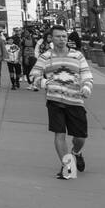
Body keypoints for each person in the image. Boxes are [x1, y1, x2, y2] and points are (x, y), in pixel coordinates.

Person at [31, 25, 93, 179]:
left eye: (64, 36)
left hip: (75, 100)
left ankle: (76, 152)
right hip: (55, 100)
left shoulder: (77, 55)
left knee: (80, 137)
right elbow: (34, 75)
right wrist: (44, 83)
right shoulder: (45, 56)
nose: (62, 39)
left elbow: (86, 74)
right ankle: (68, 167)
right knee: (59, 134)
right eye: (58, 36)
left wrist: (86, 87)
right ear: (51, 38)